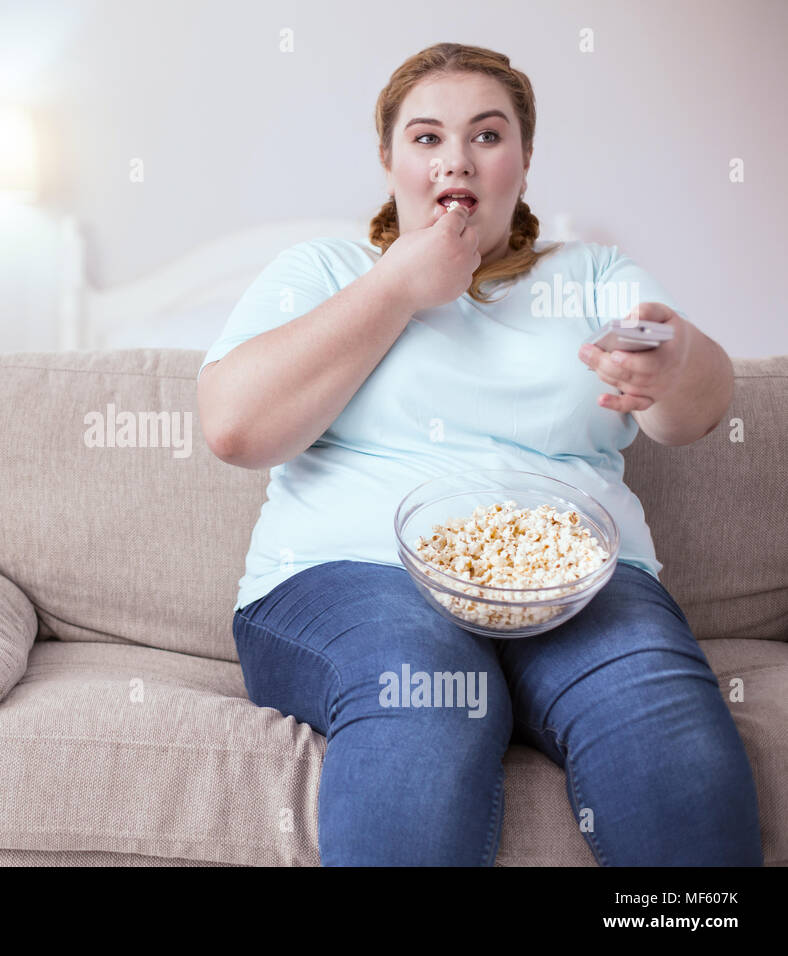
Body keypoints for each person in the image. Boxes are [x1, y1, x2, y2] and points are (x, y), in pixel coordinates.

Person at [196, 42, 760, 866]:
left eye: (487, 136)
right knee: (425, 695)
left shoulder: (589, 273)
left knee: (654, 714)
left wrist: (671, 363)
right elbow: (234, 428)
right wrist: (397, 288)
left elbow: (694, 412)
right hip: (354, 573)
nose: (456, 158)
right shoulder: (326, 269)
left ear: (523, 162)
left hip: (577, 584)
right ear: (388, 161)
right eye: (426, 138)